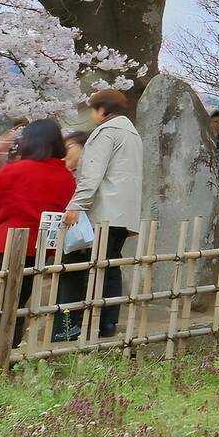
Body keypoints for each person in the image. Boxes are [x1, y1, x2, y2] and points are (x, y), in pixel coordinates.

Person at [0, 119, 74, 354]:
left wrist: (0, 147)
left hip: (4, 242)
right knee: (18, 305)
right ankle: (9, 353)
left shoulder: (17, 170)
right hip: (38, 246)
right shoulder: (67, 179)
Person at [62, 88, 143, 340]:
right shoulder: (132, 133)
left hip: (105, 211)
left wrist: (76, 205)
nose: (93, 115)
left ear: (102, 110)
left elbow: (91, 175)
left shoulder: (106, 132)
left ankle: (93, 324)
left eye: (93, 109)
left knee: (97, 267)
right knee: (111, 265)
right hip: (124, 212)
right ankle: (108, 324)